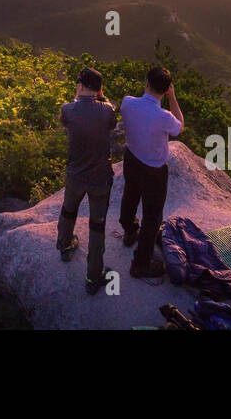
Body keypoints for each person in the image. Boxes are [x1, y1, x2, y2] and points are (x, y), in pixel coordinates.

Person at [56, 67, 119, 295]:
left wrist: (80, 100)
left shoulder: (67, 110)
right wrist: (101, 99)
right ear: (100, 89)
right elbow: (111, 122)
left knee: (68, 210)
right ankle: (93, 276)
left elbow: (69, 119)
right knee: (97, 225)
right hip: (100, 178)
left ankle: (64, 245)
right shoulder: (107, 111)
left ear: (80, 85)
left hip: (75, 175)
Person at [118, 66, 184, 278]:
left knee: (130, 195)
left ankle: (129, 230)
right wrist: (173, 98)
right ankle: (141, 263)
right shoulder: (164, 117)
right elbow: (180, 127)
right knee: (152, 216)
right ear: (166, 91)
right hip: (154, 170)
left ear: (146, 83)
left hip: (131, 159)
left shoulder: (127, 103)